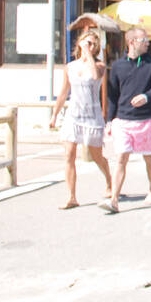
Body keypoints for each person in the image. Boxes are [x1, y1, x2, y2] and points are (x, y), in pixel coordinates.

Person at [101, 27, 151, 213]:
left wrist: (146, 96)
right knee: (121, 157)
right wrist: (109, 120)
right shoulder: (118, 66)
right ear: (131, 42)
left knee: (148, 156)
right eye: (143, 40)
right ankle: (114, 200)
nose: (147, 43)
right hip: (122, 119)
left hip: (146, 118)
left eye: (147, 40)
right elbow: (113, 95)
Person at [49, 30, 112, 209]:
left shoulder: (99, 65)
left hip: (92, 115)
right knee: (69, 154)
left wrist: (89, 55)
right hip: (73, 114)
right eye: (86, 42)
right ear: (79, 43)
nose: (88, 46)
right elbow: (64, 92)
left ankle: (109, 182)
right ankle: (72, 196)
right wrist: (55, 115)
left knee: (96, 155)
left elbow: (95, 76)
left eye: (92, 44)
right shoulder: (70, 67)